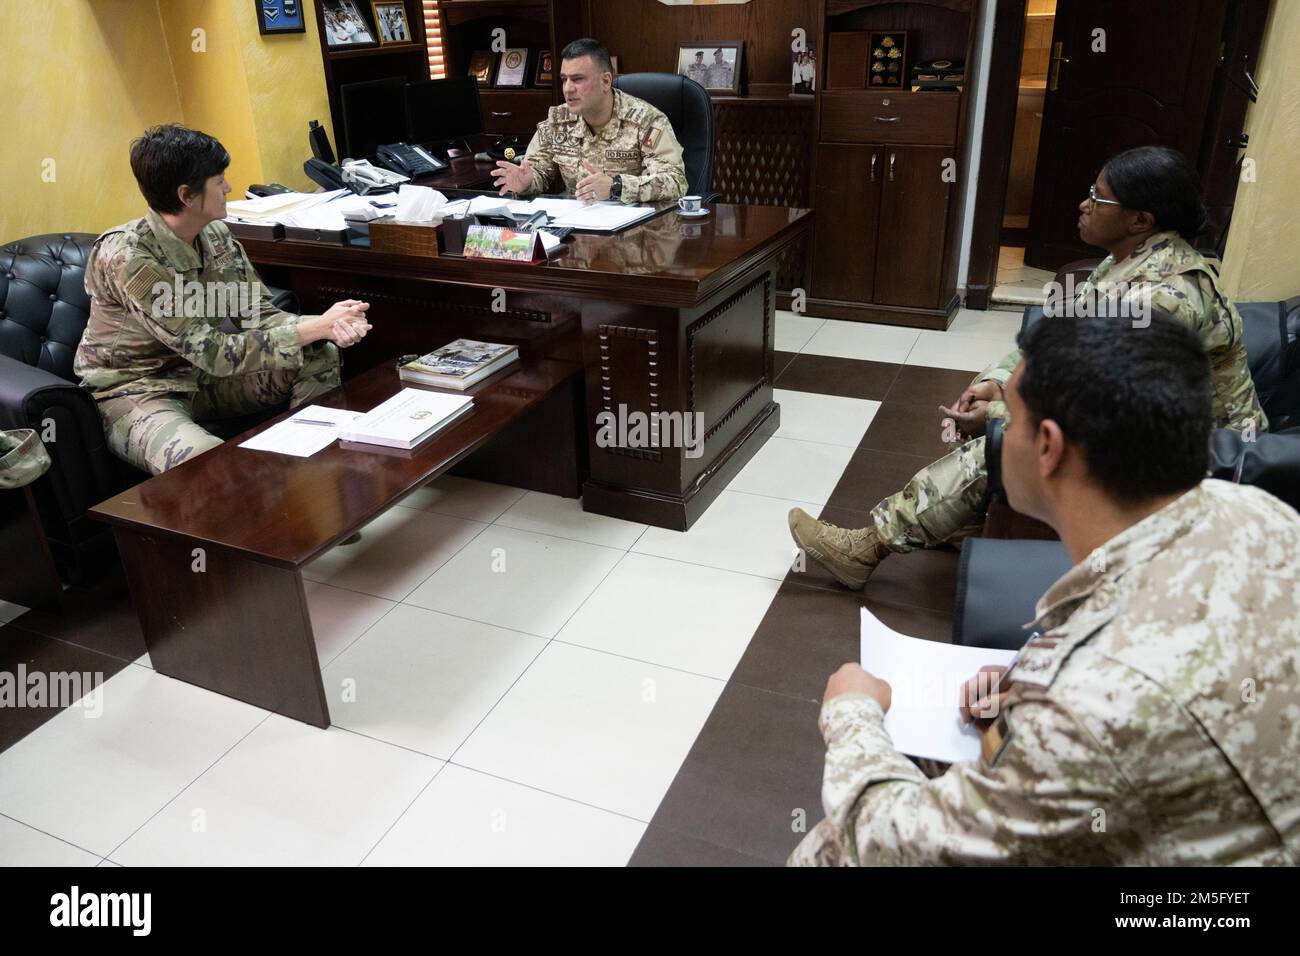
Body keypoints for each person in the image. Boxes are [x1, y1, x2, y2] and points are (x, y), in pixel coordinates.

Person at [790, 313, 1300, 866]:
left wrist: (853, 710)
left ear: (1048, 447)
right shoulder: (1257, 512)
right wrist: (1028, 679)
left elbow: (891, 844)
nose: (994, 433)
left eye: (1009, 417)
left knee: (832, 852)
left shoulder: (1095, 707)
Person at [789, 145, 1268, 589]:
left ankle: (868, 547)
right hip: (1145, 420)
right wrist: (995, 385)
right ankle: (966, 518)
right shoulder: (1124, 261)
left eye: (1098, 199)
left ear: (1140, 219)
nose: (1084, 205)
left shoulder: (1165, 299)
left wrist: (1002, 419)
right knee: (1006, 419)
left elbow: (1105, 409)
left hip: (1203, 449)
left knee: (1004, 445)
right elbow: (1057, 335)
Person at [74, 125, 371, 475]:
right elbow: (213, 352)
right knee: (214, 466)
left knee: (318, 353)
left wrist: (326, 324)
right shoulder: (131, 258)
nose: (229, 187)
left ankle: (312, 476)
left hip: (200, 379)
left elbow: (258, 315)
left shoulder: (214, 232)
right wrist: (314, 327)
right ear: (187, 195)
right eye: (219, 180)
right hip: (137, 389)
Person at [493, 38, 687, 206]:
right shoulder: (557, 122)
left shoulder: (646, 121)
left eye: (577, 79)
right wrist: (526, 183)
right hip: (576, 229)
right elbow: (538, 172)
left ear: (606, 81)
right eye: (564, 80)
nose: (568, 89)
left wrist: (616, 186)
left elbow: (675, 182)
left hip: (634, 235)